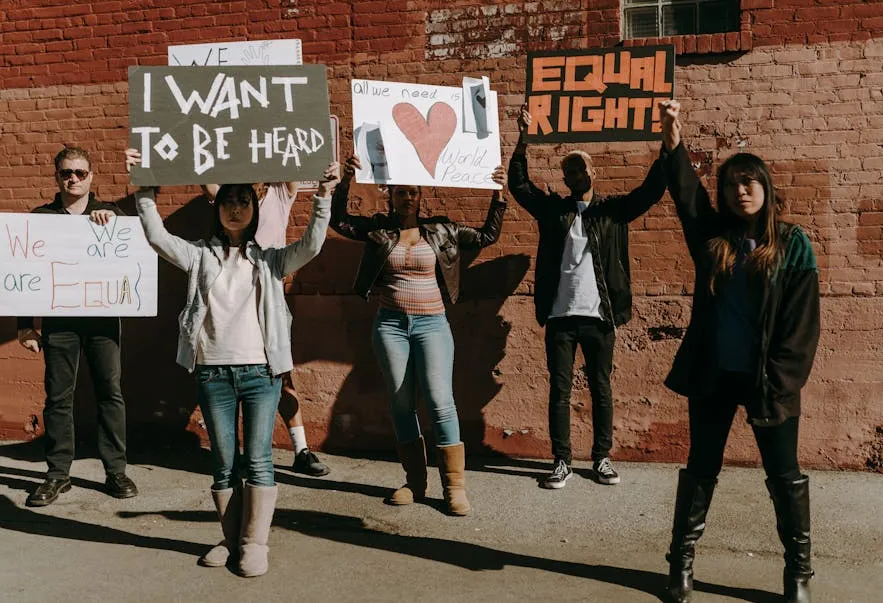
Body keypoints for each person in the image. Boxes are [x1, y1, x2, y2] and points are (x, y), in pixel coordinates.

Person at [127, 148, 338, 576]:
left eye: (243, 201)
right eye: (228, 201)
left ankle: (254, 543)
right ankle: (230, 536)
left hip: (260, 373)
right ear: (218, 209)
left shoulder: (270, 258)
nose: (236, 207)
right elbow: (156, 238)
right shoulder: (200, 255)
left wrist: (325, 196)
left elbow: (313, 244)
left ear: (254, 208)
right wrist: (145, 194)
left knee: (258, 458)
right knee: (223, 460)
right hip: (213, 372)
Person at [658, 101, 820, 603]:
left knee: (784, 475)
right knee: (701, 467)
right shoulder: (714, 239)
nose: (740, 190)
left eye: (750, 182)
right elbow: (688, 198)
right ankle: (680, 566)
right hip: (714, 374)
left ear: (767, 190)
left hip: (768, 381)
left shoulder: (793, 246)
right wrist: (673, 141)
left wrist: (778, 382)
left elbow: (801, 326)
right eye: (731, 184)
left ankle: (798, 574)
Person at [329, 155, 507, 517]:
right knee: (400, 403)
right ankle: (415, 482)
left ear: (421, 195)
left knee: (441, 400)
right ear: (390, 196)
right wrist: (345, 182)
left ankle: (454, 486)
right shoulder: (380, 231)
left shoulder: (442, 230)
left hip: (432, 325)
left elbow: (487, 235)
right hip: (391, 325)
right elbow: (341, 222)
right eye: (401, 192)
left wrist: (498, 193)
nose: (408, 197)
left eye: (413, 191)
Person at [508, 107, 667, 489]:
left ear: (592, 173)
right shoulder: (553, 211)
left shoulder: (611, 212)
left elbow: (651, 191)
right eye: (570, 172)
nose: (576, 176)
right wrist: (523, 138)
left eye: (581, 169)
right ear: (565, 179)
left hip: (600, 317)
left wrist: (667, 143)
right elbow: (519, 186)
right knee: (559, 390)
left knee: (601, 389)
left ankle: (601, 459)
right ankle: (561, 461)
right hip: (560, 316)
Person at [19, 147, 138, 508]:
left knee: (110, 393)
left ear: (92, 176)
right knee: (58, 397)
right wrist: (25, 325)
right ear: (56, 177)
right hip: (60, 323)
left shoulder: (112, 215)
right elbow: (26, 274)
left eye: (80, 173)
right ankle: (57, 474)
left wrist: (113, 223)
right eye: (66, 173)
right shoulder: (40, 218)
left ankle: (116, 470)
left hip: (103, 321)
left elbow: (131, 262)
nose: (73, 179)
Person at [202, 181, 330, 477]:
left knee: (281, 373)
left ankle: (300, 448)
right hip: (232, 290)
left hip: (269, 285)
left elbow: (289, 161)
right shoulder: (231, 193)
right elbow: (205, 178)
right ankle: (235, 459)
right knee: (232, 378)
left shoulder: (280, 191)